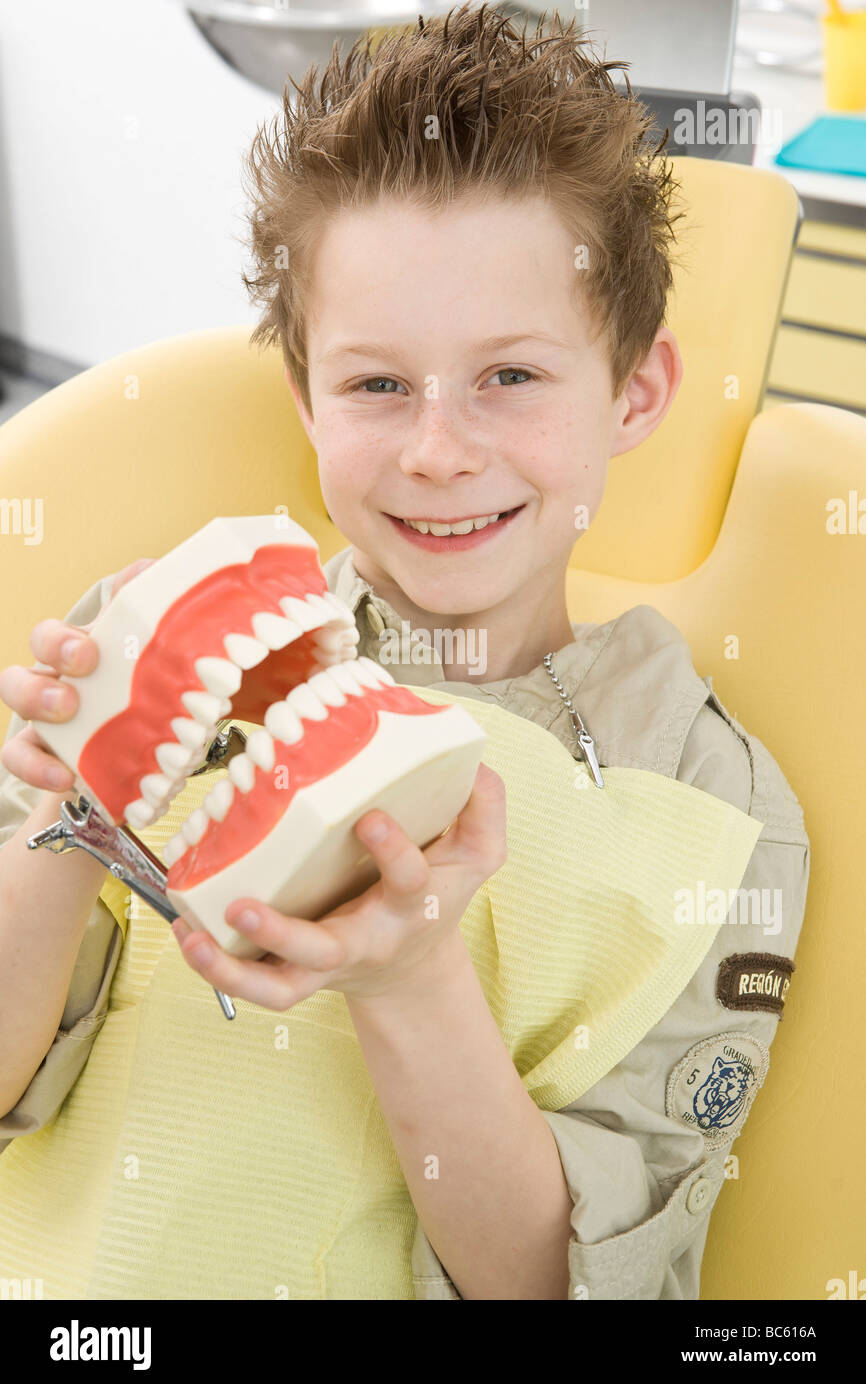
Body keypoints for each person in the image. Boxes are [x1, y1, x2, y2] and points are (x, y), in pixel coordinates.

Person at [0, 4, 809, 1299]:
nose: (438, 449)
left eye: (510, 378)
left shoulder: (707, 811)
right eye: (377, 385)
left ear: (635, 392)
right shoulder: (148, 648)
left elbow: (557, 1286)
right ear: (304, 396)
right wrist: (66, 816)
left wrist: (417, 978)